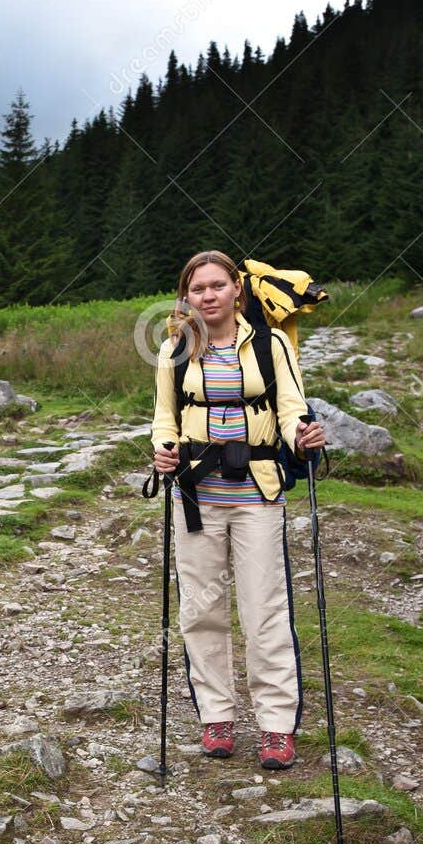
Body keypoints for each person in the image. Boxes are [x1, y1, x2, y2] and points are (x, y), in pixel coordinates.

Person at [149, 250, 325, 769]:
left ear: (236, 291)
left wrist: (303, 435)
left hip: (258, 493)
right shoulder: (174, 349)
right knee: (201, 609)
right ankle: (216, 717)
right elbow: (164, 417)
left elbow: (292, 407)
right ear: (188, 297)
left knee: (264, 609)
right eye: (197, 288)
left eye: (217, 286)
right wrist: (163, 449)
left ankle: (275, 727)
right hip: (196, 494)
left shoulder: (271, 345)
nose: (207, 295)